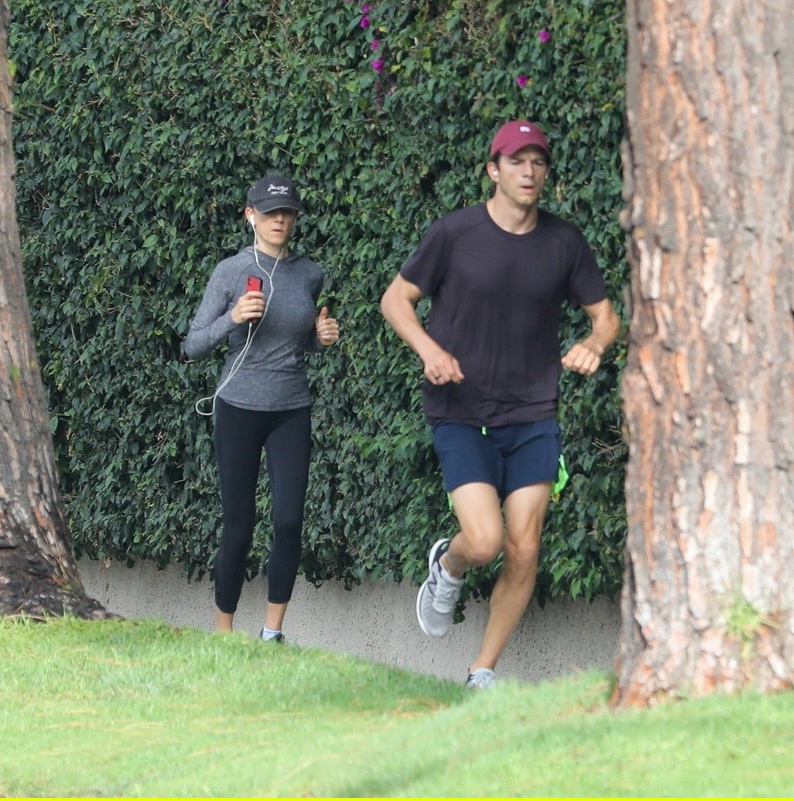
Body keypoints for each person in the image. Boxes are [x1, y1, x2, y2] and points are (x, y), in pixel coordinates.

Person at [380, 120, 620, 687]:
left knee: (525, 545)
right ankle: (450, 563)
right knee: (485, 542)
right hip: (460, 410)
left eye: (538, 162)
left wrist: (594, 344)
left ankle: (482, 671)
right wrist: (429, 350)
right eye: (517, 161)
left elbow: (606, 317)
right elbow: (395, 299)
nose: (529, 172)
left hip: (533, 413)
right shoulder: (455, 233)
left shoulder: (564, 243)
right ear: (494, 170)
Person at [184, 172, 340, 642]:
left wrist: (320, 338)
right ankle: (223, 632)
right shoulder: (230, 272)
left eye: (287, 213)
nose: (280, 221)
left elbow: (301, 341)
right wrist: (231, 318)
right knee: (239, 526)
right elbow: (192, 345)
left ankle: (272, 633)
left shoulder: (309, 274)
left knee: (289, 521)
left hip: (291, 409)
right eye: (271, 213)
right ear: (250, 215)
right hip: (238, 408)